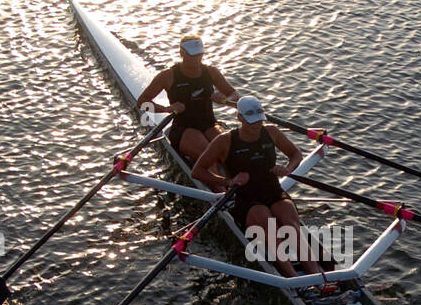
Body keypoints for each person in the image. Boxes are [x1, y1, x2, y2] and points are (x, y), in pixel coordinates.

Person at [191, 97, 322, 279]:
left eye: (260, 119)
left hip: (273, 191)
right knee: (269, 227)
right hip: (246, 197)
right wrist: (229, 182)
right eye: (252, 121)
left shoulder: (272, 132)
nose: (257, 124)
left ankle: (317, 276)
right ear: (240, 118)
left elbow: (295, 154)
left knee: (292, 226)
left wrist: (287, 169)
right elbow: (197, 172)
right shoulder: (225, 141)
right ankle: (293, 279)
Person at [137, 34, 238, 162]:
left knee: (234, 154)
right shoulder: (168, 76)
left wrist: (224, 99)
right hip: (183, 128)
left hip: (210, 124)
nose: (197, 59)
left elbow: (235, 96)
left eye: (199, 55)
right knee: (209, 157)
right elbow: (142, 102)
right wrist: (167, 109)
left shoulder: (211, 72)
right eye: (193, 55)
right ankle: (221, 181)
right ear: (182, 53)